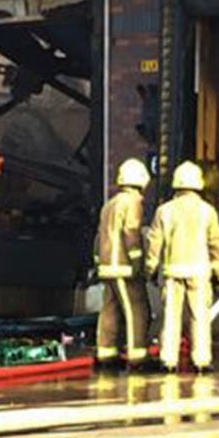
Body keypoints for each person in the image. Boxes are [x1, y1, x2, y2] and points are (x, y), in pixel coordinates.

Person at [146, 161, 219, 373]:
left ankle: (168, 360)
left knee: (171, 318)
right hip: (199, 274)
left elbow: (154, 243)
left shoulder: (164, 211)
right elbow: (215, 245)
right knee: (200, 317)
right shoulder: (208, 212)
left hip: (172, 273)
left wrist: (150, 269)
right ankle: (201, 361)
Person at [94, 158, 152, 370]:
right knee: (136, 308)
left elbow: (98, 237)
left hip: (107, 267)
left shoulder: (110, 204)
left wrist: (98, 262)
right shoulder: (132, 202)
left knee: (110, 309)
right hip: (124, 268)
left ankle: (106, 352)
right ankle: (138, 356)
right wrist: (138, 263)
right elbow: (131, 232)